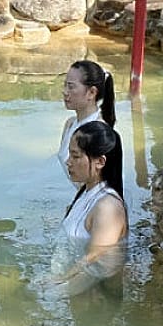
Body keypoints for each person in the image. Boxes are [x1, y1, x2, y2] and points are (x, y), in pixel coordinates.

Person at [56, 121, 127, 295]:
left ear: (100, 161)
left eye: (75, 156)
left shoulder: (107, 207)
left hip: (90, 298)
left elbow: (98, 263)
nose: (68, 162)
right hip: (74, 290)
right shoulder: (86, 192)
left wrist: (56, 291)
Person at [57, 60, 115, 188]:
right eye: (65, 85)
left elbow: (100, 183)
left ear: (92, 92)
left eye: (71, 86)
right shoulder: (70, 124)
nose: (65, 92)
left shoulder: (98, 132)